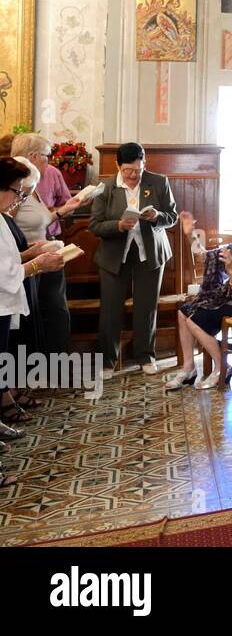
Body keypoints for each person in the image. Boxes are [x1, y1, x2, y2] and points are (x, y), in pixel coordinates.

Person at [88, 142, 178, 376]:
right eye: (127, 170)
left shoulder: (158, 182)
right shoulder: (105, 187)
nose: (133, 175)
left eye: (137, 170)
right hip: (113, 255)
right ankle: (108, 361)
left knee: (146, 307)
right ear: (118, 166)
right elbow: (95, 225)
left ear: (144, 163)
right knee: (110, 309)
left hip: (149, 252)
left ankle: (146, 356)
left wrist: (157, 216)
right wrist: (117, 225)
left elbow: (172, 216)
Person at [167, 209, 232, 390]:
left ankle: (222, 366)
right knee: (183, 311)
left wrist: (231, 270)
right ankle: (189, 367)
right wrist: (190, 235)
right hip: (230, 301)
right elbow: (204, 256)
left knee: (195, 320)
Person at [0, 158, 64, 462]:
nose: (18, 199)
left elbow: (9, 259)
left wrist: (32, 252)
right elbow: (3, 273)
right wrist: (39, 264)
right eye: (17, 192)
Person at [10, 135, 81, 360]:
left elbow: (39, 220)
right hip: (25, 261)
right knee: (36, 317)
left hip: (43, 254)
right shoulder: (16, 187)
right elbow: (7, 227)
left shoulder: (32, 182)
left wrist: (63, 210)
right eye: (46, 157)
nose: (49, 162)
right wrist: (32, 249)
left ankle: (54, 366)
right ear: (33, 156)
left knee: (55, 312)